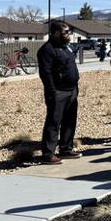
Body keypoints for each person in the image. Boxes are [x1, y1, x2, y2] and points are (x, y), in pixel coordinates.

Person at [37, 21, 81, 165]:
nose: (69, 35)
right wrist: (52, 91)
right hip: (58, 92)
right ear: (55, 33)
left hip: (71, 90)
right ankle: (48, 154)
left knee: (70, 121)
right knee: (53, 123)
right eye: (66, 32)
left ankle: (66, 149)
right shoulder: (47, 50)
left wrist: (75, 87)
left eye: (69, 32)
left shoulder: (65, 48)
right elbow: (46, 73)